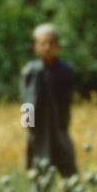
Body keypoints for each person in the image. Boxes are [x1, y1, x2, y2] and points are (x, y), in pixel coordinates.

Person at [21, 23, 78, 180]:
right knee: (39, 172)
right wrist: (28, 127)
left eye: (52, 43)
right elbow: (25, 102)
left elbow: (68, 100)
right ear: (36, 47)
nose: (47, 47)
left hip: (59, 129)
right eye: (43, 43)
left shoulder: (66, 71)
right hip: (37, 131)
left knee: (69, 172)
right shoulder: (30, 71)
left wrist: (64, 123)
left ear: (58, 46)